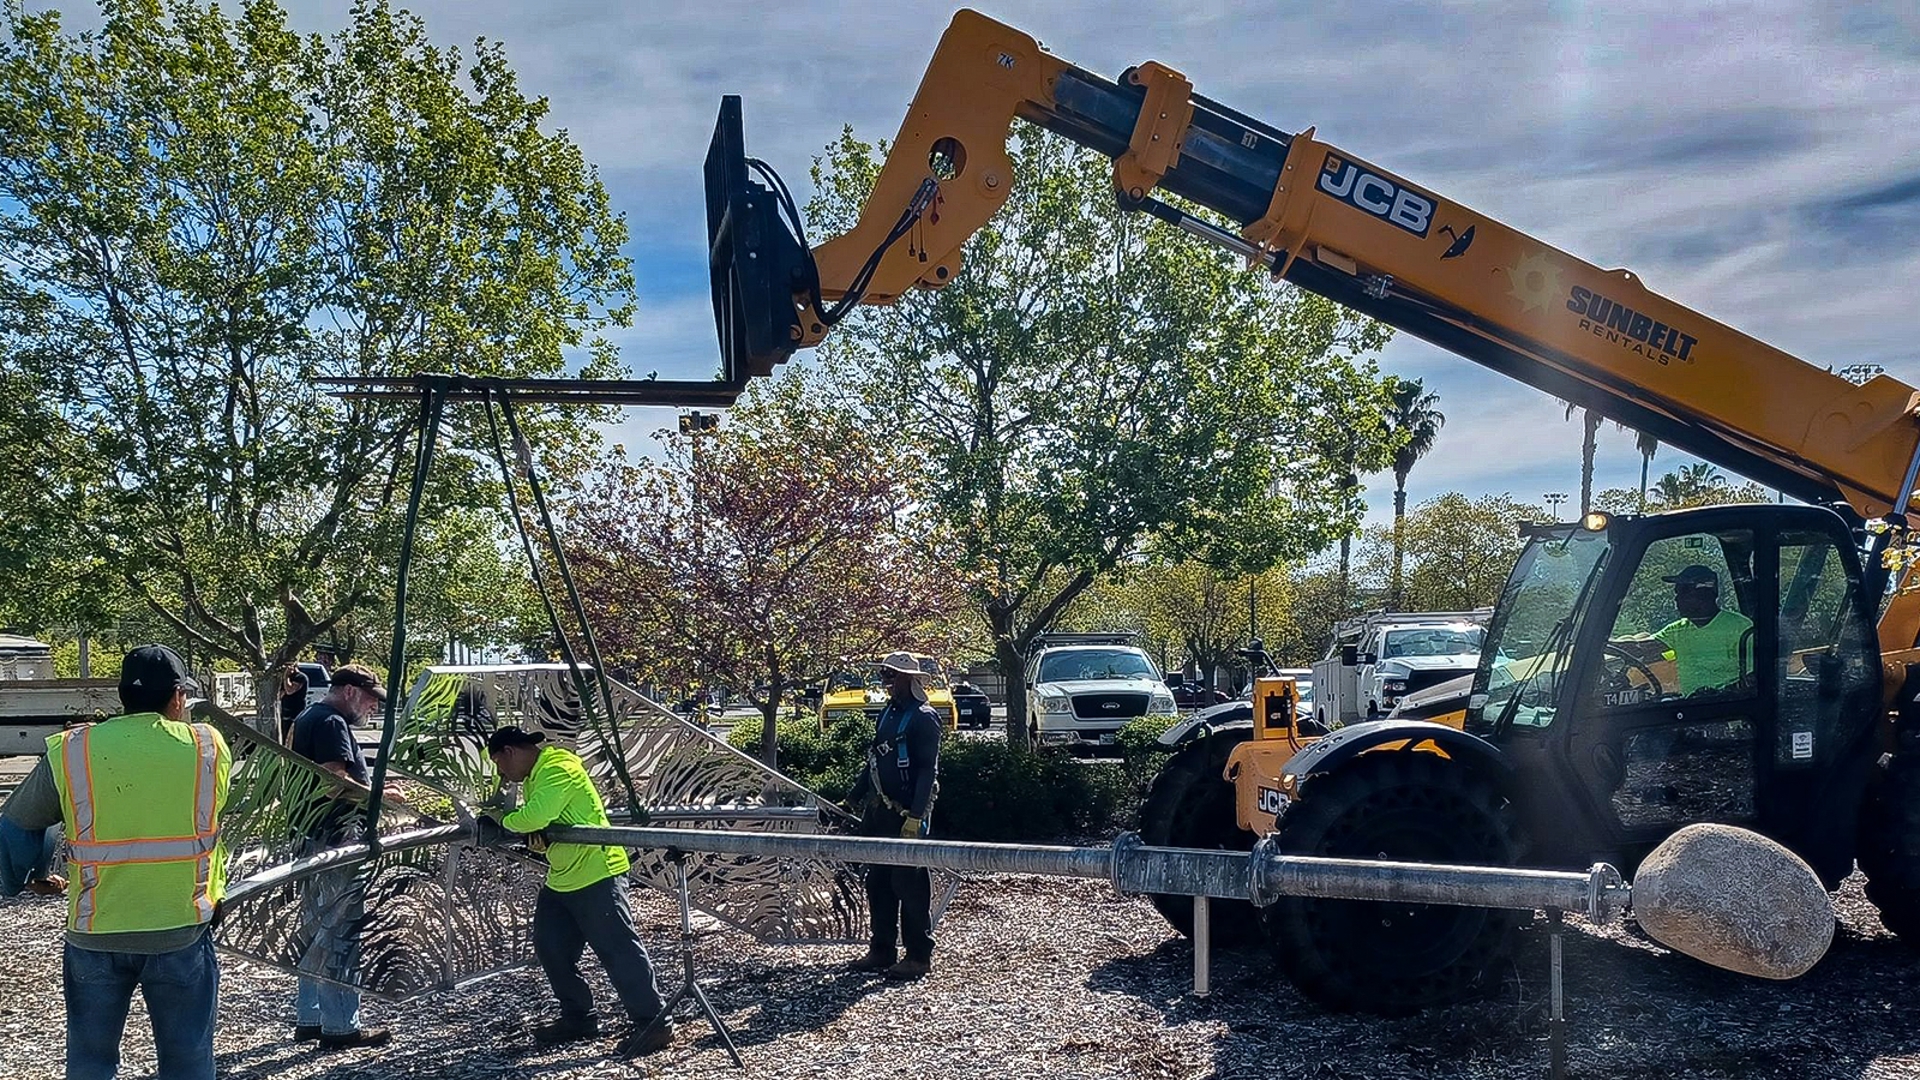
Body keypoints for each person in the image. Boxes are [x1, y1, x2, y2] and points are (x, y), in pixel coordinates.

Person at [0, 644, 230, 1080]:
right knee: (187, 1062)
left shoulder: (72, 751)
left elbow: (15, 826)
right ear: (178, 696)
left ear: (121, 695)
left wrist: (26, 879)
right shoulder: (208, 745)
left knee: (90, 1062)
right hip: (179, 929)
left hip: (96, 932)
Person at [484, 726, 672, 1057]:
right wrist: (540, 838)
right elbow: (548, 821)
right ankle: (579, 1017)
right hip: (563, 876)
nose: (502, 775)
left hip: (597, 873)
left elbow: (537, 815)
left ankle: (653, 1024)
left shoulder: (559, 767)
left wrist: (503, 820)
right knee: (550, 947)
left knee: (619, 950)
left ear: (509, 752)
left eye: (500, 765)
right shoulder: (535, 776)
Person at [286, 662, 395, 1051]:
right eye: (369, 698)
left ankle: (310, 1018)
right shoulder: (332, 722)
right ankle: (341, 1026)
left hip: (309, 835)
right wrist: (381, 797)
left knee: (314, 929)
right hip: (335, 838)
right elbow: (334, 783)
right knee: (342, 932)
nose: (371, 707)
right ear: (350, 691)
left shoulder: (306, 717)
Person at [844, 651, 943, 981]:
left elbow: (928, 771)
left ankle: (918, 955)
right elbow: (873, 761)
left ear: (909, 679)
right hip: (879, 814)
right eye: (884, 674)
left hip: (905, 815)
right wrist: (852, 799)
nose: (886, 681)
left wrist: (916, 817)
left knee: (910, 885)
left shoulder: (924, 717)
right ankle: (882, 949)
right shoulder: (887, 713)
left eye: (891, 675)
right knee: (878, 884)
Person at [1652, 565, 1755, 696]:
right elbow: (1647, 648)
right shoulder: (1678, 630)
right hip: (1690, 708)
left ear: (1704, 593)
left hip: (1727, 710)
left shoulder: (1741, 628)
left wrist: (1721, 693)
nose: (1676, 598)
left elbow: (1754, 677)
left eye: (1682, 591)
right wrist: (1620, 648)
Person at [277, 665, 310, 745]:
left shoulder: (301, 677)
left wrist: (286, 677)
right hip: (285, 711)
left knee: (294, 736)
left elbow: (289, 690)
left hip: (296, 711)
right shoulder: (286, 679)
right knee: (284, 735)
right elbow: (280, 695)